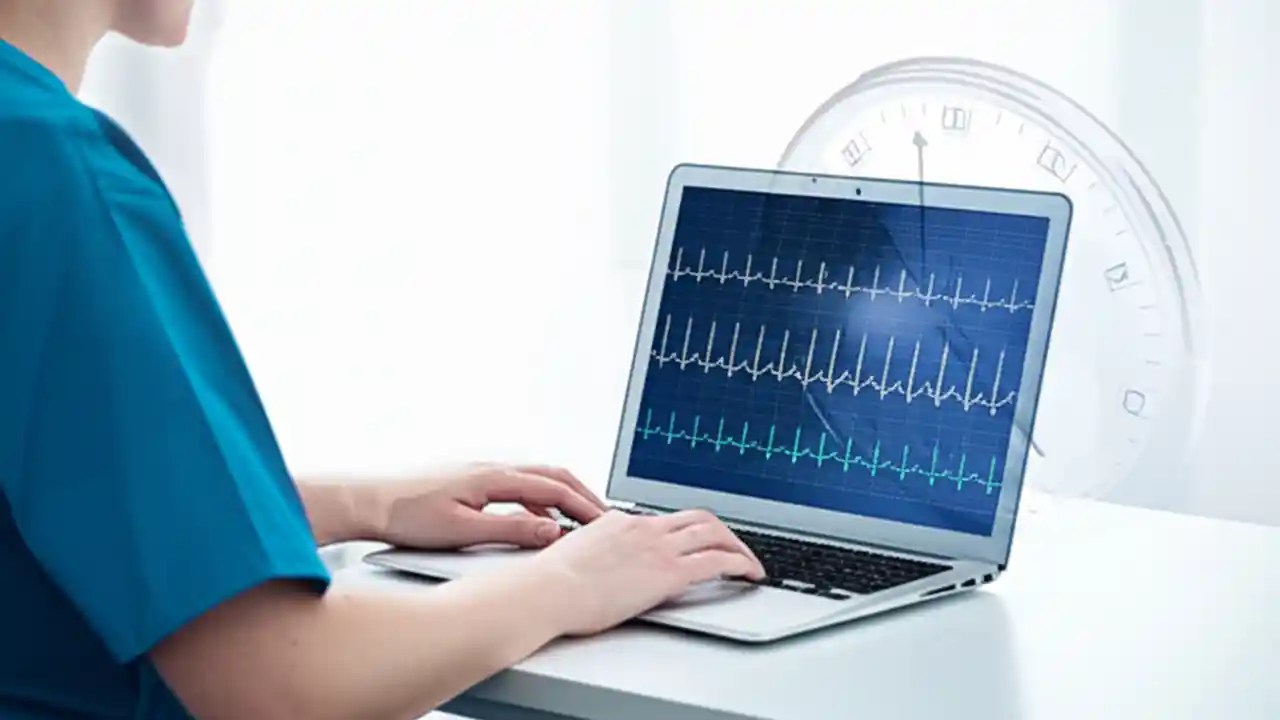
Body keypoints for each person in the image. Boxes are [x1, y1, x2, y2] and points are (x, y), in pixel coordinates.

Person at [0, 1, 765, 718]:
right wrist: (571, 580)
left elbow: (60, 493)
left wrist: (366, 507)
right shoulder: (62, 179)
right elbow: (278, 683)